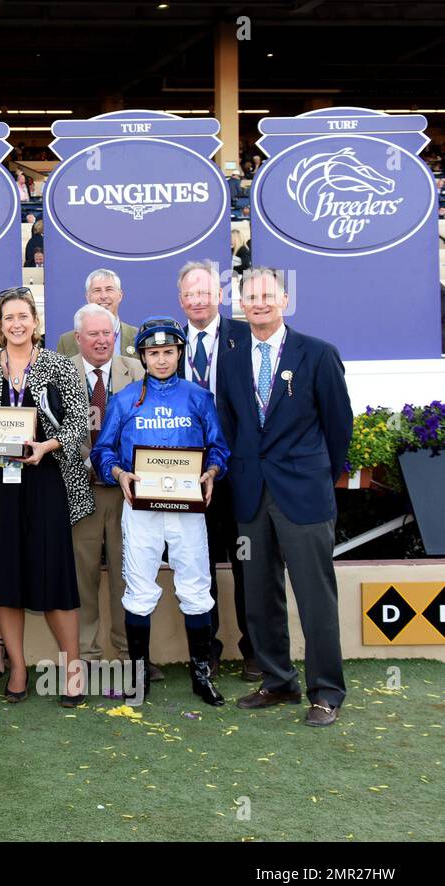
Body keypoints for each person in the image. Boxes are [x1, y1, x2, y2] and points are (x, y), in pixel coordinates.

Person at [219, 268, 352, 727]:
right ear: (241, 303)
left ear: (285, 299)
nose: (258, 303)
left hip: (304, 495)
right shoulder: (232, 357)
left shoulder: (317, 353)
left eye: (266, 295)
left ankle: (327, 692)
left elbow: (339, 428)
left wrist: (317, 475)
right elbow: (230, 423)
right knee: (258, 595)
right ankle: (278, 682)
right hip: (251, 496)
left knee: (315, 598)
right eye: (250, 296)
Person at [0, 288, 92, 707]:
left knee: (54, 578)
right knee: (5, 581)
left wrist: (46, 447)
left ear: (35, 321)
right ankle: (17, 668)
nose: (16, 324)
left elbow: (78, 427)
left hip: (46, 483)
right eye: (8, 317)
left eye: (23, 316)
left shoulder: (59, 368)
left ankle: (73, 669)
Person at [91, 317, 231, 706]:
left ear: (179, 353)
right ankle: (139, 677)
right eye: (154, 353)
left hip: (188, 508)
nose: (162, 360)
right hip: (141, 508)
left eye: (169, 352)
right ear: (143, 357)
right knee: (138, 589)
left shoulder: (199, 397)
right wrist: (118, 473)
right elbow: (102, 450)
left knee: (196, 588)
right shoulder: (124, 399)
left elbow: (219, 447)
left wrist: (212, 471)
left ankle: (201, 675)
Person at [176, 259, 258, 679]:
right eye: (189, 294)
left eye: (204, 293)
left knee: (249, 563)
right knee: (196, 563)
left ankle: (255, 649)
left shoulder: (245, 337)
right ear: (180, 299)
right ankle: (205, 648)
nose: (197, 300)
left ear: (220, 296)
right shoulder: (168, 343)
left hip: (240, 473)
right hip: (187, 475)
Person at [67, 303, 147, 673]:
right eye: (93, 334)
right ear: (78, 339)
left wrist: (115, 467)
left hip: (125, 490)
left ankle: (129, 652)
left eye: (107, 334)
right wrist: (90, 461)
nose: (101, 341)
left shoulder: (137, 372)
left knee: (126, 573)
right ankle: (86, 654)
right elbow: (55, 426)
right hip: (81, 488)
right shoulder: (62, 375)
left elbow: (145, 426)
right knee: (82, 573)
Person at [56, 269, 139, 359]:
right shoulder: (67, 341)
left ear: (120, 295)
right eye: (97, 290)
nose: (103, 296)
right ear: (88, 297)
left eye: (109, 289)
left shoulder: (137, 336)